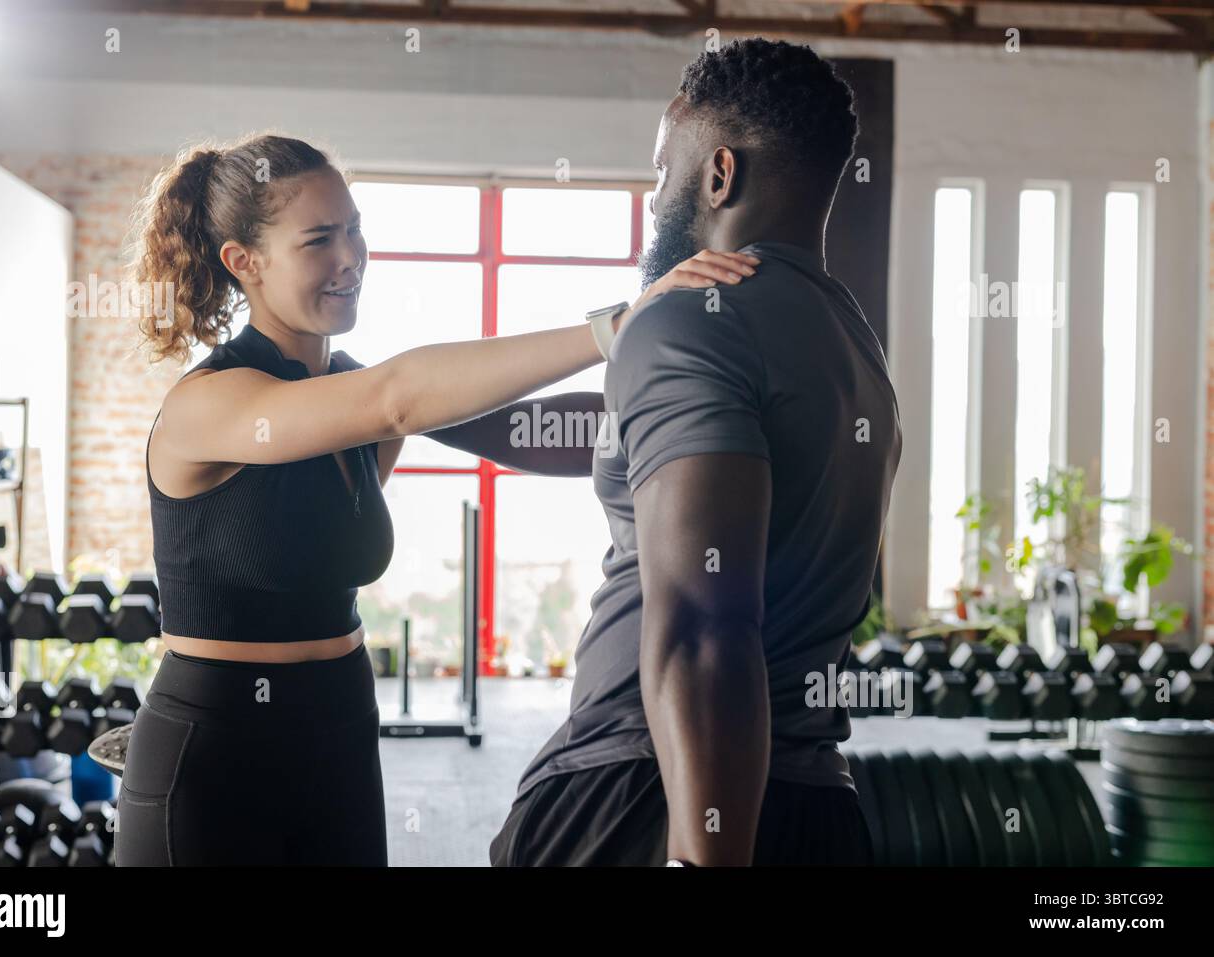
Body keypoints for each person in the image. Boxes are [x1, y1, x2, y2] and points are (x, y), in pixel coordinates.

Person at [112, 131, 758, 865]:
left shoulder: (348, 395)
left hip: (340, 727)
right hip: (214, 747)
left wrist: (706, 416)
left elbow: (533, 426)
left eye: (355, 230)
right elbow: (399, 399)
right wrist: (616, 324)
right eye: (319, 240)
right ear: (244, 262)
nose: (351, 258)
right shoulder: (209, 406)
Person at [491, 38, 903, 867]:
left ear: (719, 175)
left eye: (659, 171)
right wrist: (406, 409)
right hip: (813, 801)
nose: (652, 200)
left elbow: (707, 628)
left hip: (653, 792)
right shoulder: (855, 347)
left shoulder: (690, 317)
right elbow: (610, 440)